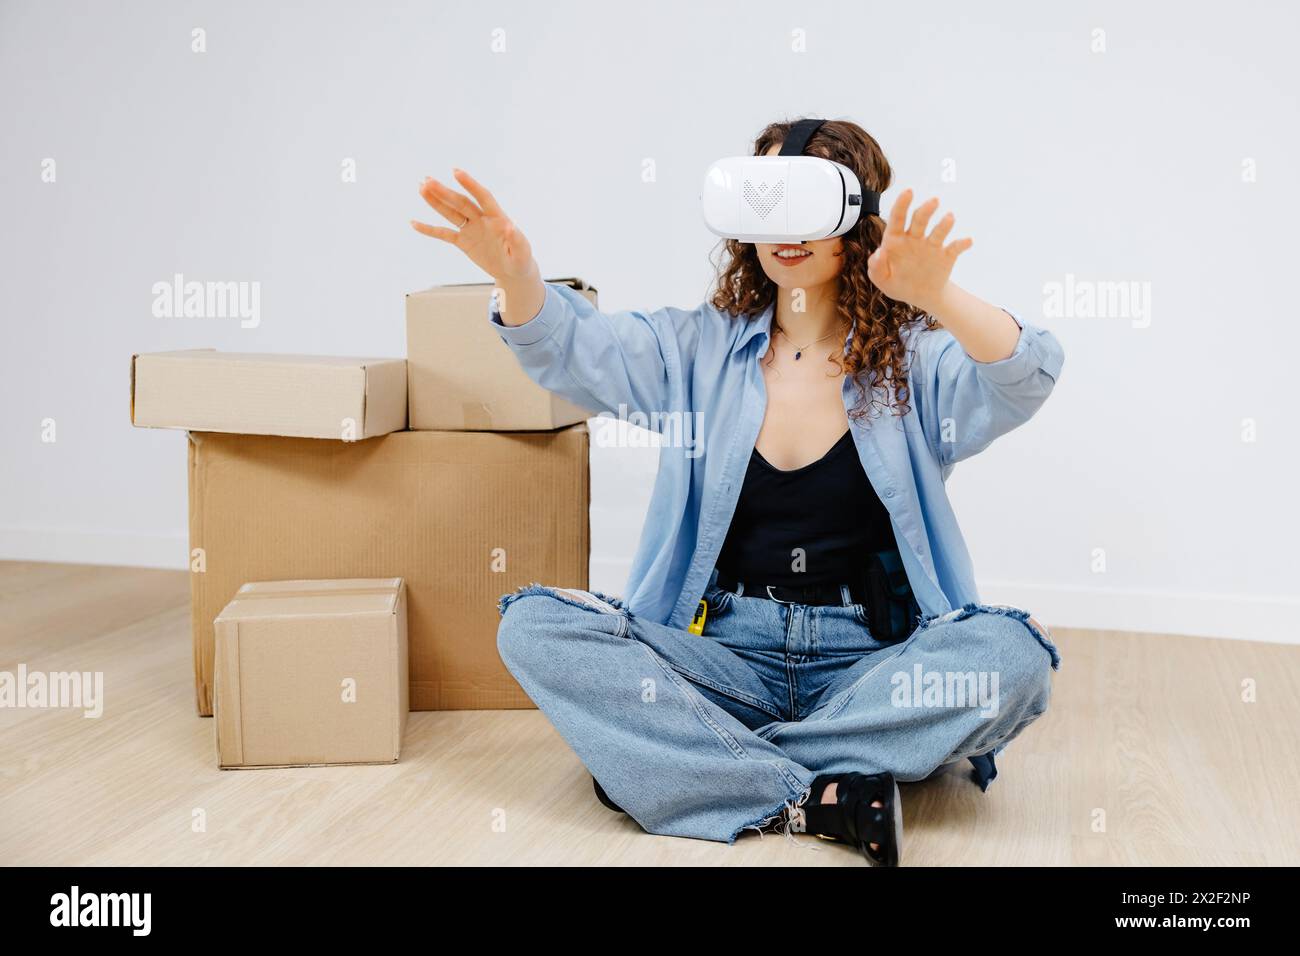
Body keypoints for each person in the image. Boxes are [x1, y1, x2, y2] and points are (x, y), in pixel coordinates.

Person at [411, 118, 1064, 866]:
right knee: (530, 625)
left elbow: (1027, 375)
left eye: (808, 205)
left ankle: (700, 766)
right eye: (766, 207)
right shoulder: (697, 350)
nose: (785, 231)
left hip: (872, 661)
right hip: (724, 656)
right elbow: (573, 352)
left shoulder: (912, 362)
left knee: (1014, 657)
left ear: (858, 217)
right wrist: (521, 278)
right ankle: (822, 789)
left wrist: (939, 293)